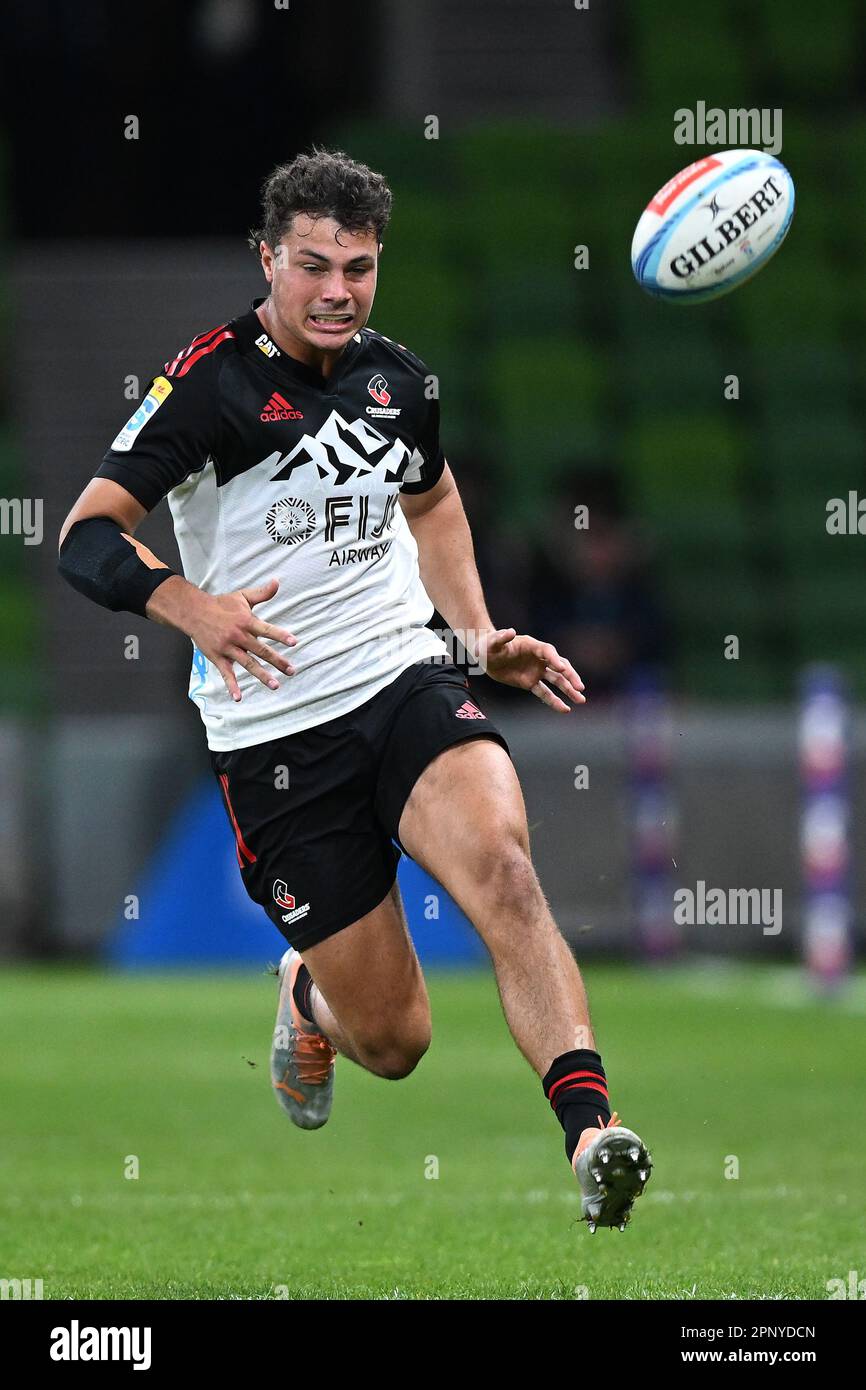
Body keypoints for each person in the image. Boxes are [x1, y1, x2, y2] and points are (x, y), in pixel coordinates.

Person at [57, 148, 651, 1232]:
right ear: (267, 259)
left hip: (400, 675)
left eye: (360, 268)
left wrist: (471, 640)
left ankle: (591, 1131)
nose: (337, 291)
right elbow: (86, 537)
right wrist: (189, 606)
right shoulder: (208, 385)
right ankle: (304, 995)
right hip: (275, 733)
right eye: (314, 266)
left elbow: (430, 501)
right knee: (393, 1040)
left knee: (505, 872)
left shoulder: (400, 383)